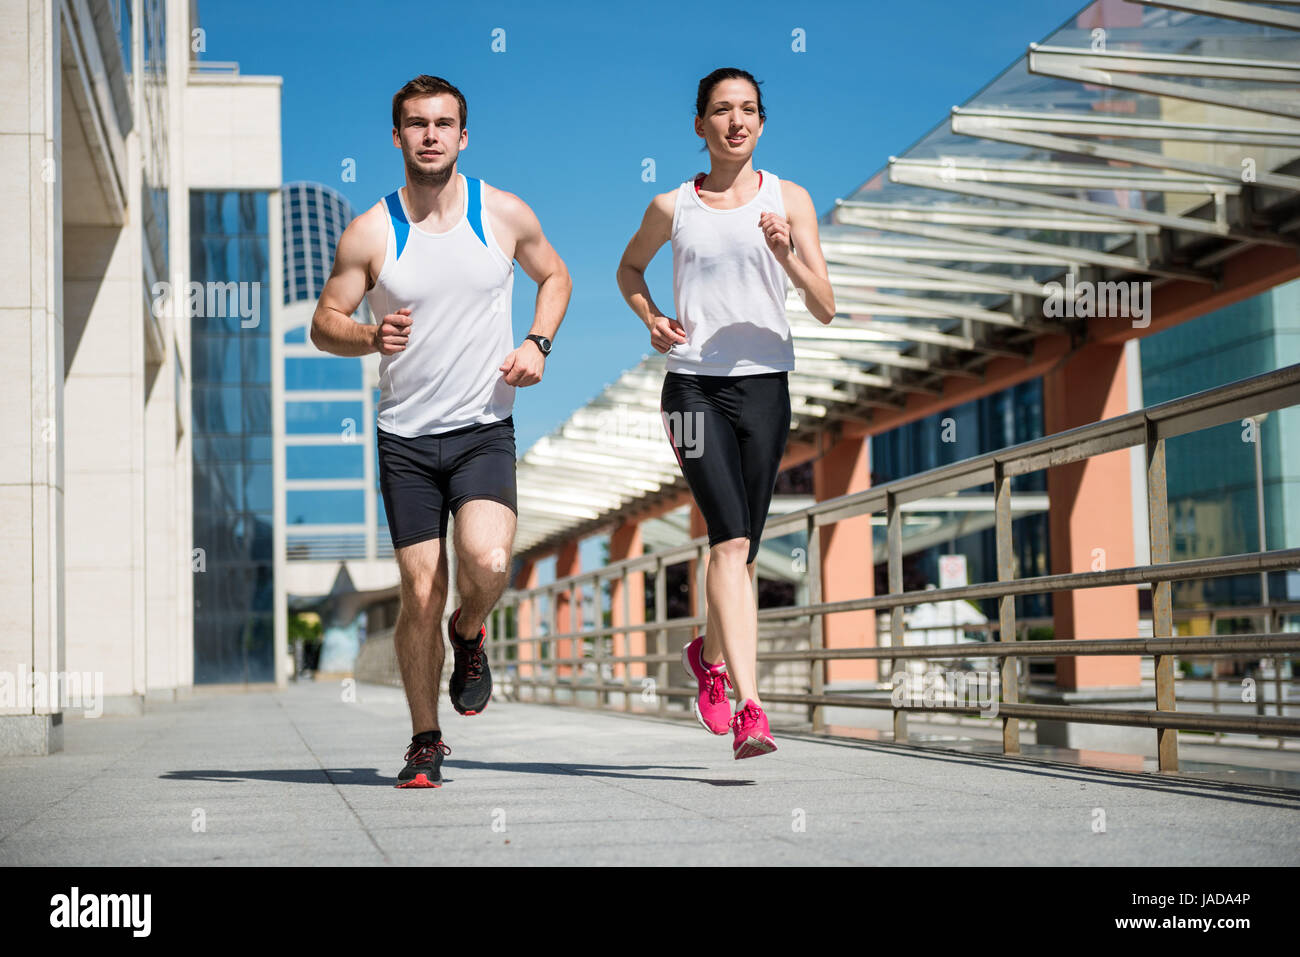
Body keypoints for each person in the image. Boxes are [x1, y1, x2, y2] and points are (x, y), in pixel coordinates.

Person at [311, 75, 571, 787]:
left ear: (463, 136)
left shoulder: (503, 214)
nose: (431, 135)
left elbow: (556, 277)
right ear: (397, 137)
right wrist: (369, 335)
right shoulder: (370, 231)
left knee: (487, 564)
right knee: (420, 589)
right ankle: (426, 739)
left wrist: (537, 343)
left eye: (444, 123)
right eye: (417, 124)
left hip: (484, 426)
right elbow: (322, 323)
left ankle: (469, 630)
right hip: (406, 438)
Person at [616, 68, 835, 759]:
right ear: (700, 125)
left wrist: (788, 254)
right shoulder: (672, 206)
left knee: (743, 547)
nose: (734, 121)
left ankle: (709, 656)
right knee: (729, 542)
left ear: (761, 124)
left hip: (765, 385)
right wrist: (651, 316)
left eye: (747, 111)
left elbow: (825, 304)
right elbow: (628, 269)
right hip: (692, 389)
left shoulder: (789, 198)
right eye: (720, 110)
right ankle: (751, 708)